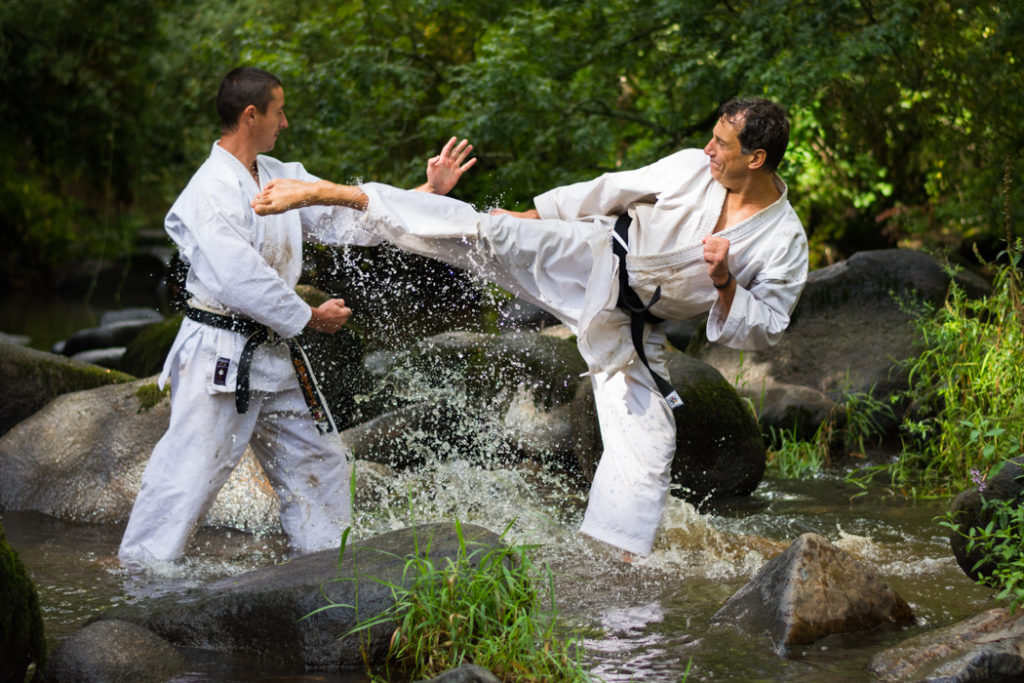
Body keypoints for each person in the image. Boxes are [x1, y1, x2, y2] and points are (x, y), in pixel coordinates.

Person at [251, 97, 808, 560]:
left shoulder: (782, 240)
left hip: (632, 325)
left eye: (723, 145)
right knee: (480, 234)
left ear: (756, 158)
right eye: (711, 138)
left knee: (651, 435)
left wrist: (725, 281)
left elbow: (767, 328)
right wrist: (526, 219)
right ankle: (333, 193)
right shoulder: (691, 167)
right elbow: (607, 189)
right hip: (591, 257)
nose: (709, 150)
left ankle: (611, 557)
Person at [118, 67, 386, 562]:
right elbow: (237, 277)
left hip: (274, 355)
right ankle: (144, 579)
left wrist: (424, 197)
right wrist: (308, 316)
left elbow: (337, 213)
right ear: (251, 114)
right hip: (221, 357)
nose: (285, 122)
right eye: (279, 111)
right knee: (190, 475)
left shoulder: (279, 175)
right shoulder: (211, 191)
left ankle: (324, 564)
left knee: (318, 462)